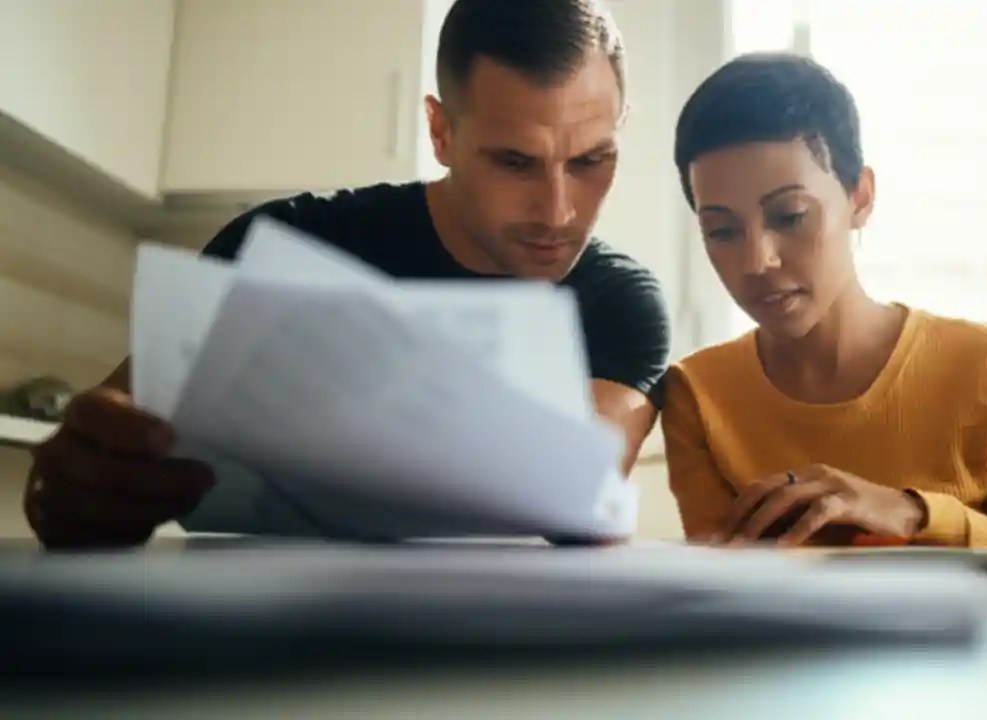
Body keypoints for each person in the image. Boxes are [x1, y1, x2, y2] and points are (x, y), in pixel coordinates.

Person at [25, 0, 670, 549]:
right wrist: (75, 482)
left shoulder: (620, 303)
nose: (558, 212)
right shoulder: (279, 248)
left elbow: (576, 492)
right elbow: (78, 468)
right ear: (441, 132)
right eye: (514, 162)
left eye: (591, 160)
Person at [662, 53, 987, 560]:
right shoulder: (698, 396)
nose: (757, 260)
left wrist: (917, 515)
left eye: (790, 215)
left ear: (861, 197)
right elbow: (720, 595)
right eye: (721, 231)